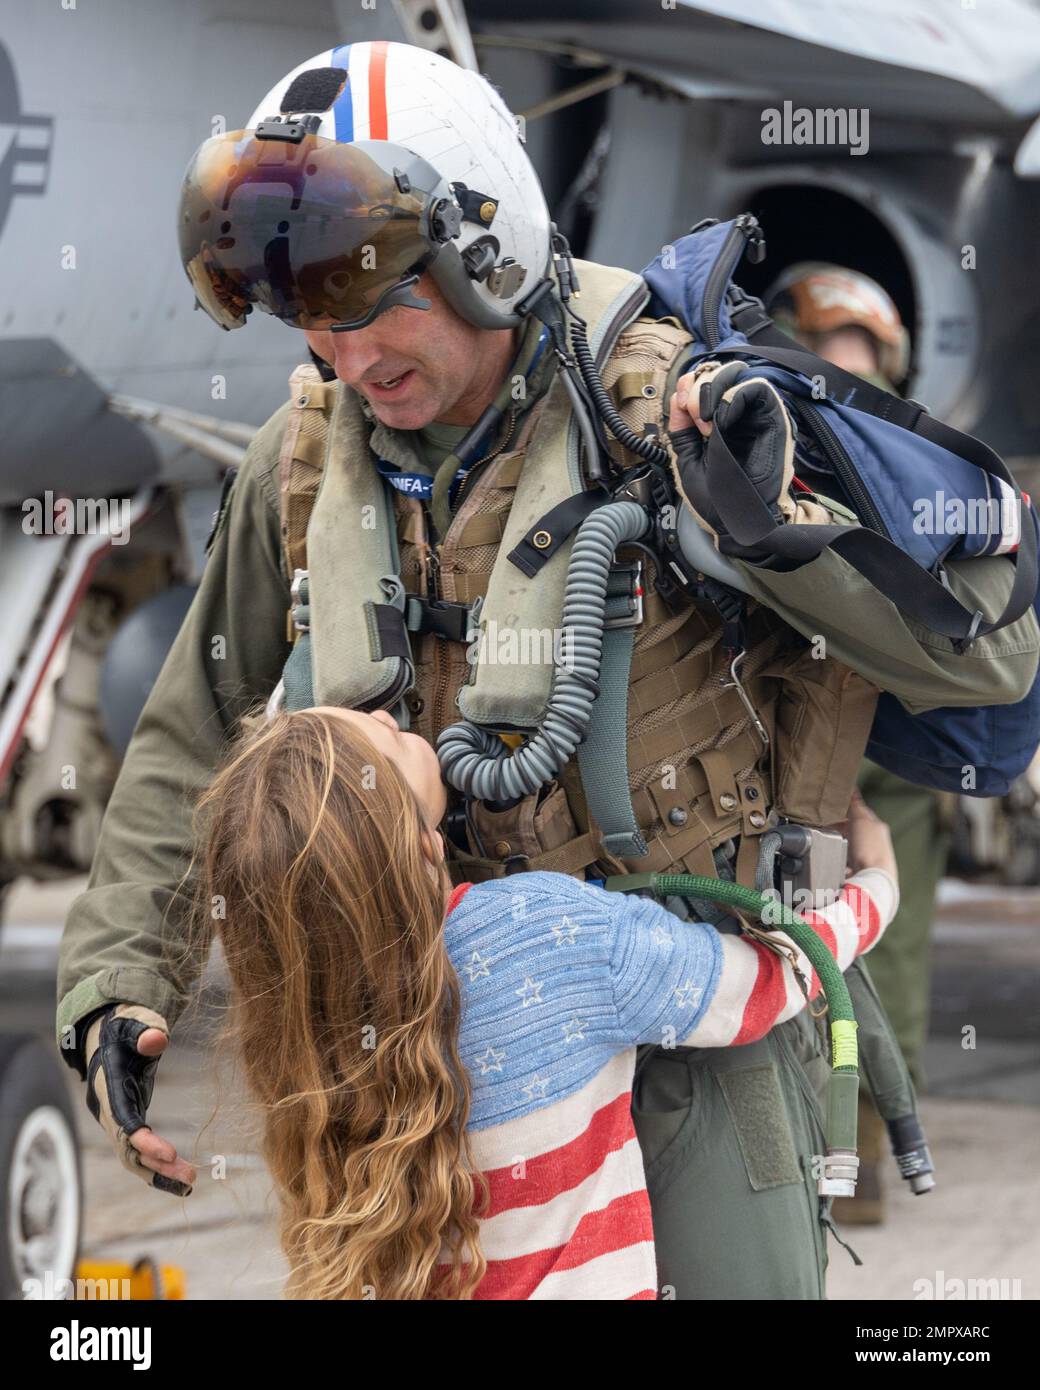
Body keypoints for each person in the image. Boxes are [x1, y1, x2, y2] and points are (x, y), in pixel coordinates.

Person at [57, 42, 1037, 1299]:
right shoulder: (300, 466)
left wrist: (776, 532)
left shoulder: (678, 413)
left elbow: (988, 664)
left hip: (693, 1042)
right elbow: (192, 731)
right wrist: (118, 979)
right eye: (310, 315)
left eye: (371, 298)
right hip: (411, 1060)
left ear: (486, 250)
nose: (345, 357)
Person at [190, 700, 899, 1299]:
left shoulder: (309, 1043)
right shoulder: (548, 933)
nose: (386, 709)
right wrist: (876, 888)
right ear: (420, 847)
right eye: (388, 739)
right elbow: (759, 988)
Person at [765, 263, 956, 1224]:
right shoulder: (917, 467)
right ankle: (845, 1144)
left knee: (879, 933)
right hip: (825, 731)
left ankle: (864, 1147)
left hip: (872, 734)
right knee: (840, 929)